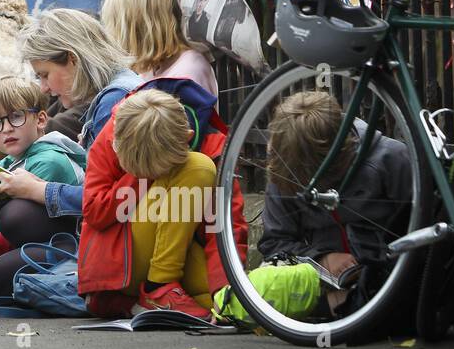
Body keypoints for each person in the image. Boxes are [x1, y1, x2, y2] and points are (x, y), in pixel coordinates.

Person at [0, 9, 140, 298]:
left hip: (127, 238)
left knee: (5, 263)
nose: (45, 88)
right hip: (116, 227)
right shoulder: (115, 93)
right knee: (4, 262)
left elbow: (113, 200)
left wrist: (39, 190)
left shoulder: (115, 101)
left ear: (73, 59)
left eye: (45, 75)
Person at [258, 91, 414, 324]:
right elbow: (274, 243)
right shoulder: (284, 172)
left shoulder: (392, 159)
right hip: (323, 282)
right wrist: (322, 259)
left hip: (390, 278)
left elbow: (422, 233)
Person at [79, 88, 225, 319]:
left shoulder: (213, 141)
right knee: (199, 166)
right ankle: (158, 286)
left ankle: (146, 299)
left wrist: (224, 286)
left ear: (186, 138)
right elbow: (94, 212)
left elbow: (226, 225)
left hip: (181, 247)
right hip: (125, 250)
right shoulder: (116, 133)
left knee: (219, 303)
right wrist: (142, 177)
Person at [0, 75, 85, 305]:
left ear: (40, 119)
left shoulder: (49, 159)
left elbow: (8, 229)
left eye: (16, 117)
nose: (7, 128)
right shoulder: (7, 163)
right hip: (22, 242)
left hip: (65, 244)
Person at [101, 0, 218, 97]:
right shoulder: (151, 70)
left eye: (116, 25)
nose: (113, 35)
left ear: (138, 28)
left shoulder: (186, 75)